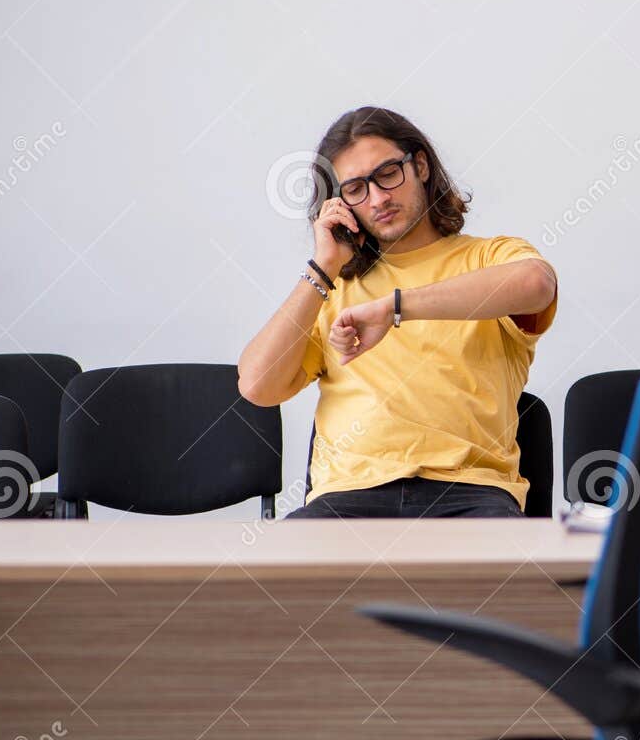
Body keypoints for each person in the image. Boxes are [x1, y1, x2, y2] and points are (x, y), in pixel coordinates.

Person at [238, 106, 557, 519]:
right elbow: (256, 386)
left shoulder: (488, 257)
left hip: (471, 495)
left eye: (387, 173)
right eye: (355, 189)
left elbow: (537, 285)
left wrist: (395, 308)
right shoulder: (332, 289)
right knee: (271, 576)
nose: (378, 198)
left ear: (420, 165)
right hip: (347, 498)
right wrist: (323, 266)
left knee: (509, 578)